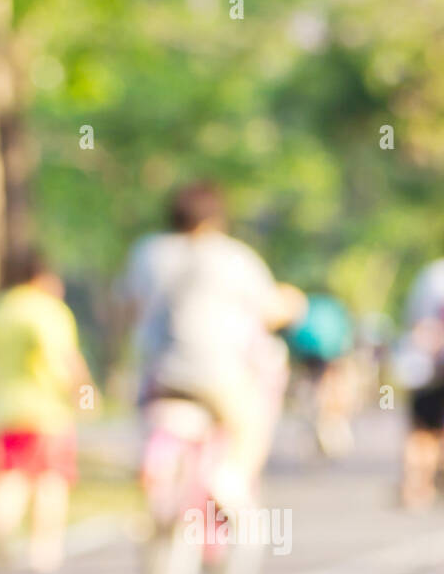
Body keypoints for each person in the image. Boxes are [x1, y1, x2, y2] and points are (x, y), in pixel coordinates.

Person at [123, 181, 304, 509]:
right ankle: (230, 477)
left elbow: (127, 307)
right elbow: (271, 309)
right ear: (215, 217)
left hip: (157, 372)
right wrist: (295, 303)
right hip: (217, 373)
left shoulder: (147, 252)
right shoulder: (231, 255)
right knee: (252, 422)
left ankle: (157, 460)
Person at [0, 248, 91, 572]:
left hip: (0, 410)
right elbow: (63, 357)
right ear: (41, 275)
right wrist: (82, 392)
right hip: (47, 411)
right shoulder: (48, 310)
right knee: (50, 479)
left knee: (8, 478)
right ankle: (43, 550)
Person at [396, 240, 444, 508]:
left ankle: (418, 486)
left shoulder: (432, 277)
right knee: (438, 430)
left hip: (426, 368)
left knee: (420, 432)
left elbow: (416, 319)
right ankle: (433, 480)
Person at [282, 292, 357, 457]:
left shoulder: (311, 321)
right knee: (332, 385)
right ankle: (329, 422)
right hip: (328, 356)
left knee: (318, 387)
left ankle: (321, 420)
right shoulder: (333, 321)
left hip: (309, 356)